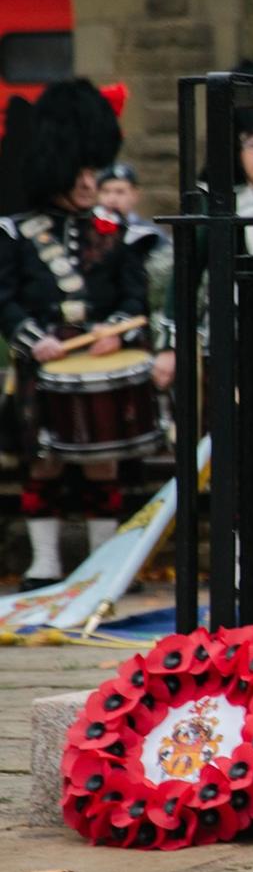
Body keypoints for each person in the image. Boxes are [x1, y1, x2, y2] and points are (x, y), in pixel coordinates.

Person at [0, 80, 156, 587]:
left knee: (102, 464)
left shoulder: (117, 232)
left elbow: (135, 298)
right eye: (80, 172)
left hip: (100, 358)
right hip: (43, 360)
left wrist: (115, 332)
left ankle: (102, 565)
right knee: (42, 463)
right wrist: (33, 341)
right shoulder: (17, 232)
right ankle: (44, 564)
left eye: (93, 171)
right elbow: (5, 298)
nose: (90, 182)